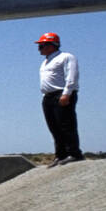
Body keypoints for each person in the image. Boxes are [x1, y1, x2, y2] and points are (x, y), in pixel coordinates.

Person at [36, 32, 83, 167]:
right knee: (54, 127)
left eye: (42, 45)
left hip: (61, 94)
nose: (39, 48)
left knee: (66, 125)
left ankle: (74, 154)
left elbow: (72, 76)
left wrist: (66, 93)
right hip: (48, 97)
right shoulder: (46, 61)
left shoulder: (66, 57)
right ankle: (60, 154)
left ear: (52, 45)